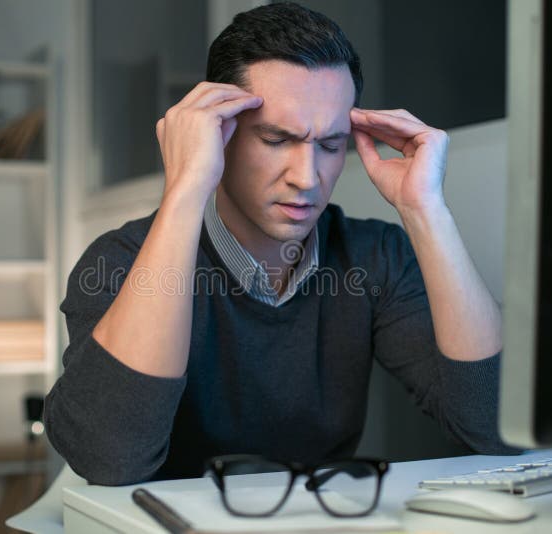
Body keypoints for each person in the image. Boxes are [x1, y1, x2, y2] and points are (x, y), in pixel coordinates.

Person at [44, 2, 517, 486]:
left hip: (319, 515)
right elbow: (110, 459)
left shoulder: (376, 257)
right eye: (275, 139)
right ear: (217, 134)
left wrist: (426, 210)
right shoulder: (118, 262)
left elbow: (497, 429)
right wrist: (185, 189)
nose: (307, 178)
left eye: (330, 145)